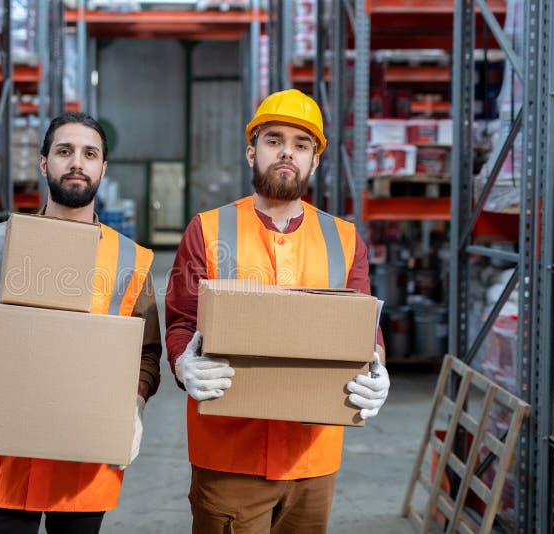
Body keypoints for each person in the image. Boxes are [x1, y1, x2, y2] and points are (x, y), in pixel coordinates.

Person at [165, 89, 391, 533]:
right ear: (252, 150)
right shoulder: (207, 230)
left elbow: (365, 326)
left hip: (314, 457)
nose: (287, 151)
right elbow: (181, 321)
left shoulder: (344, 239)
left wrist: (378, 367)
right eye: (273, 140)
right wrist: (181, 362)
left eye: (301, 144)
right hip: (229, 455)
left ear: (315, 160)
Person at [0, 111, 162, 534]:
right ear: (44, 163)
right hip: (4, 460)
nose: (77, 162)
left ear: (102, 168)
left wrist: (136, 403)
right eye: (64, 151)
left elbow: (146, 355)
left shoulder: (131, 261)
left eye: (89, 153)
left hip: (82, 465)